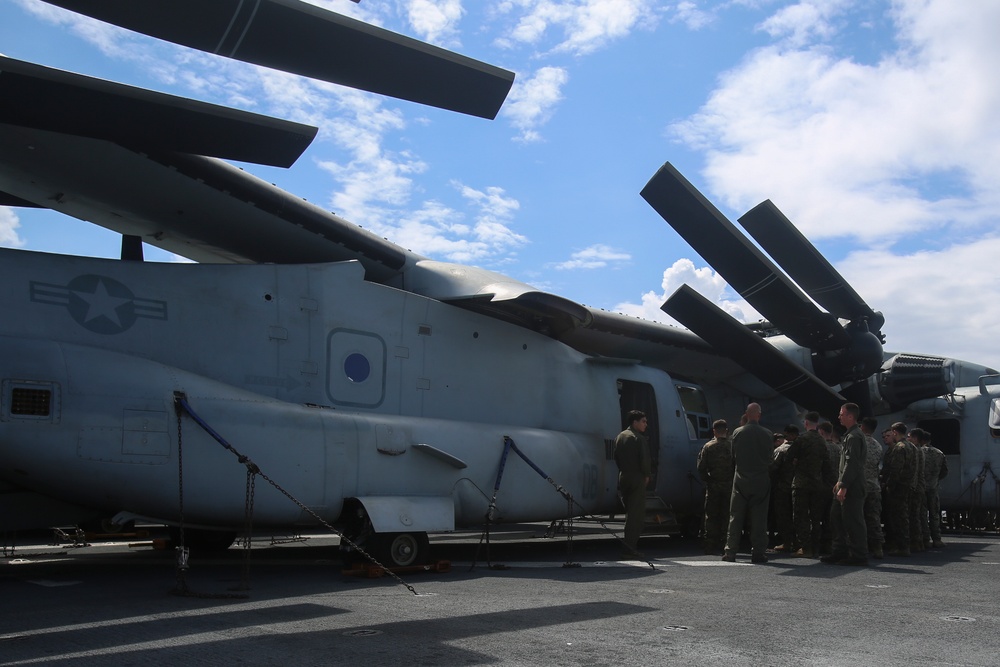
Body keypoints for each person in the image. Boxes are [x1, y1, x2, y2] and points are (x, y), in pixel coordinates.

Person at [722, 403, 773, 564]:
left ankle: (730, 551)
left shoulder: (737, 432)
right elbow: (770, 458)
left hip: (741, 479)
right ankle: (758, 553)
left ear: (746, 413)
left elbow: (733, 456)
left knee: (735, 516)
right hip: (761, 479)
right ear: (759, 415)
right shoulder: (767, 434)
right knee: (759, 518)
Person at [821, 403, 869, 565]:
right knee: (836, 518)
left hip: (852, 486)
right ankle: (839, 552)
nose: (839, 417)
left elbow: (852, 463)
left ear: (850, 416)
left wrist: (844, 485)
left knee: (853, 521)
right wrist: (839, 482)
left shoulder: (854, 436)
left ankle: (859, 555)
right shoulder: (850, 435)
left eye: (841, 414)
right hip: (845, 483)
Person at [789, 411, 832, 558]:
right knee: (815, 517)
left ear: (806, 423)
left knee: (801, 516)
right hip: (817, 484)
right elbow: (827, 465)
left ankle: (805, 547)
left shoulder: (801, 439)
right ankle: (815, 547)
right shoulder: (822, 441)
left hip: (801, 484)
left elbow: (789, 456)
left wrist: (796, 463)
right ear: (817, 424)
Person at [614, 409, 651, 558]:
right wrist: (647, 475)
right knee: (636, 515)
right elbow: (644, 460)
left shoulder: (620, 436)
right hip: (637, 477)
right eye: (643, 421)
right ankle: (629, 548)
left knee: (629, 512)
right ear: (635, 422)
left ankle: (628, 547)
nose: (646, 424)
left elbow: (616, 457)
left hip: (624, 475)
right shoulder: (639, 438)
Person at [697, 419, 734, 555]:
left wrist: (708, 480)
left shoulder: (708, 446)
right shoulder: (732, 446)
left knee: (711, 515)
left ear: (714, 431)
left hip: (713, 485)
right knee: (727, 514)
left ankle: (710, 543)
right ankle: (726, 542)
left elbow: (701, 467)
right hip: (729, 485)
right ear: (726, 431)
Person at [883, 422, 917, 556]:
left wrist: (889, 485)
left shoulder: (899, 447)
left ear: (895, 432)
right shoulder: (912, 447)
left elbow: (895, 470)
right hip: (909, 485)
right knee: (905, 516)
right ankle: (906, 544)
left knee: (898, 517)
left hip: (899, 487)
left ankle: (902, 546)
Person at [770, 425, 798, 552]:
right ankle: (799, 542)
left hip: (782, 488)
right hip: (798, 487)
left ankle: (787, 542)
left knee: (783, 516)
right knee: (798, 515)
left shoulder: (781, 450)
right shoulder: (803, 449)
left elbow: (772, 468)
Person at [860, 417, 885, 558]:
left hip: (859, 486)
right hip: (874, 487)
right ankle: (877, 548)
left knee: (857, 518)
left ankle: (859, 548)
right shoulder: (878, 445)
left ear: (862, 427)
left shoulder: (857, 442)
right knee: (874, 519)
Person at [920, 430, 948, 549]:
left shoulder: (919, 452)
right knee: (934, 514)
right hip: (933, 487)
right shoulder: (939, 453)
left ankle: (925, 539)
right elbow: (944, 471)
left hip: (921, 487)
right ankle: (937, 539)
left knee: (922, 514)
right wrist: (935, 479)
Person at [818, 421, 841, 555]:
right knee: (830, 518)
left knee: (816, 517)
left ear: (821, 432)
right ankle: (828, 544)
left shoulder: (820, 447)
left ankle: (815, 544)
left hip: (820, 486)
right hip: (834, 487)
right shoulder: (838, 448)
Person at [908, 428, 927, 553]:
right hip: (920, 485)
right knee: (918, 515)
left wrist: (912, 486)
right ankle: (920, 541)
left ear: (915, 438)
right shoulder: (921, 450)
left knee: (914, 515)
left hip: (916, 486)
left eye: (909, 436)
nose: (908, 439)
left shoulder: (915, 451)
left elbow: (913, 471)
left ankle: (916, 542)